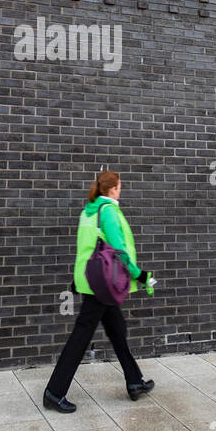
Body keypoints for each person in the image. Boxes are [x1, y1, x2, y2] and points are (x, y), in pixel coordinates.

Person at [44, 170, 155, 413]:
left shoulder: (88, 211)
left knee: (117, 331)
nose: (121, 189)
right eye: (120, 186)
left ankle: (134, 381)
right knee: (81, 336)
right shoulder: (109, 212)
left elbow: (83, 248)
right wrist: (140, 274)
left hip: (91, 280)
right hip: (102, 284)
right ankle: (54, 392)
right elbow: (119, 249)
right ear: (113, 189)